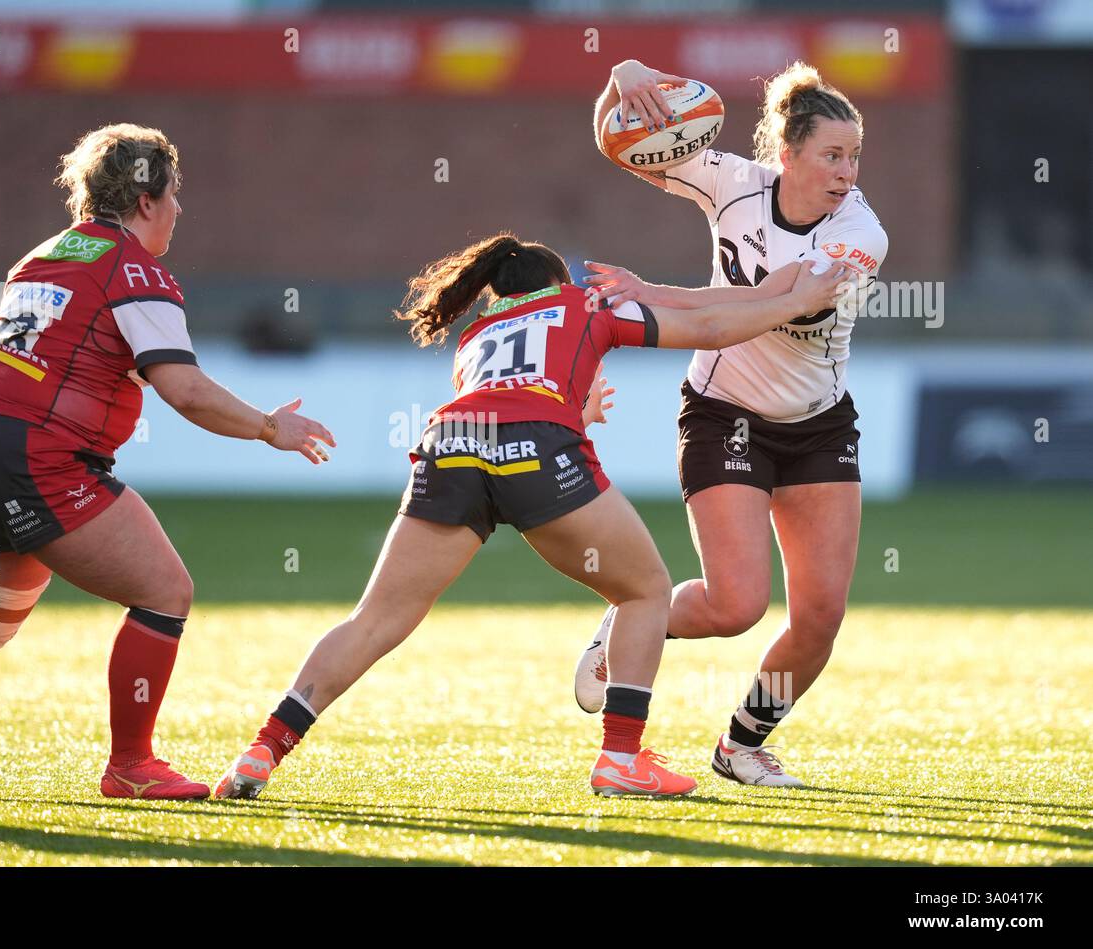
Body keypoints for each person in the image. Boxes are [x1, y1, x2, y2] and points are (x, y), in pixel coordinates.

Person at [215, 232, 845, 800]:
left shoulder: (473, 336)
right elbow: (706, 327)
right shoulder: (584, 305)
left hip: (452, 446)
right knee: (645, 590)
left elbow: (517, 384)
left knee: (376, 619)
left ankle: (261, 751)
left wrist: (571, 408)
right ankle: (621, 759)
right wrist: (795, 300)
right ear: (559, 284)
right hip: (536, 449)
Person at [0, 123, 335, 800]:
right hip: (35, 454)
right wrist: (269, 426)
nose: (180, 211)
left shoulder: (45, 255)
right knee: (165, 592)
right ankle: (130, 767)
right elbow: (184, 389)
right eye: (174, 195)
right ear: (145, 200)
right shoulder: (137, 270)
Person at [574, 60, 889, 788]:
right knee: (734, 605)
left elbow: (745, 316)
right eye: (831, 156)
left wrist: (650, 298)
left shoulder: (859, 234)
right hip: (725, 416)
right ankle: (626, 625)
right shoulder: (732, 181)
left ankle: (741, 744)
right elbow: (619, 142)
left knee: (818, 618)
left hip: (818, 424)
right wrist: (622, 80)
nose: (847, 172)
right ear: (789, 155)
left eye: (854, 157)